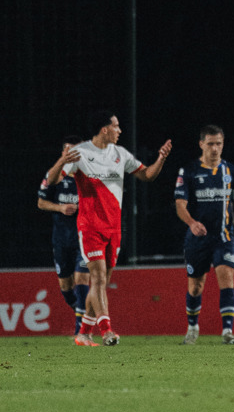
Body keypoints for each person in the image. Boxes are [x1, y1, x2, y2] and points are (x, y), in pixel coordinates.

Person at [45, 111, 172, 346]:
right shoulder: (81, 153)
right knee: (98, 278)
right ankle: (107, 331)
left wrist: (161, 159)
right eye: (116, 126)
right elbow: (52, 180)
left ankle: (84, 333)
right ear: (104, 129)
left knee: (101, 282)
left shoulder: (120, 154)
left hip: (114, 228)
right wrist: (62, 161)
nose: (120, 130)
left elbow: (146, 175)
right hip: (90, 227)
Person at [175, 125, 234, 345]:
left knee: (227, 277)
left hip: (224, 237)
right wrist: (192, 223)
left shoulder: (232, 172)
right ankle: (192, 328)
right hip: (197, 239)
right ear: (201, 144)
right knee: (196, 286)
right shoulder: (189, 171)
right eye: (211, 144)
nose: (215, 148)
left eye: (219, 144)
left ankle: (227, 331)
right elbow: (180, 205)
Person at [37, 135, 89, 335]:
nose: (72, 154)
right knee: (66, 288)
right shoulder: (56, 175)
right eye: (68, 151)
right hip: (61, 239)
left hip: (84, 238)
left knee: (82, 278)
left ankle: (81, 330)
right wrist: (60, 208)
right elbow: (41, 203)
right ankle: (81, 311)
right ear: (63, 153)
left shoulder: (88, 175)